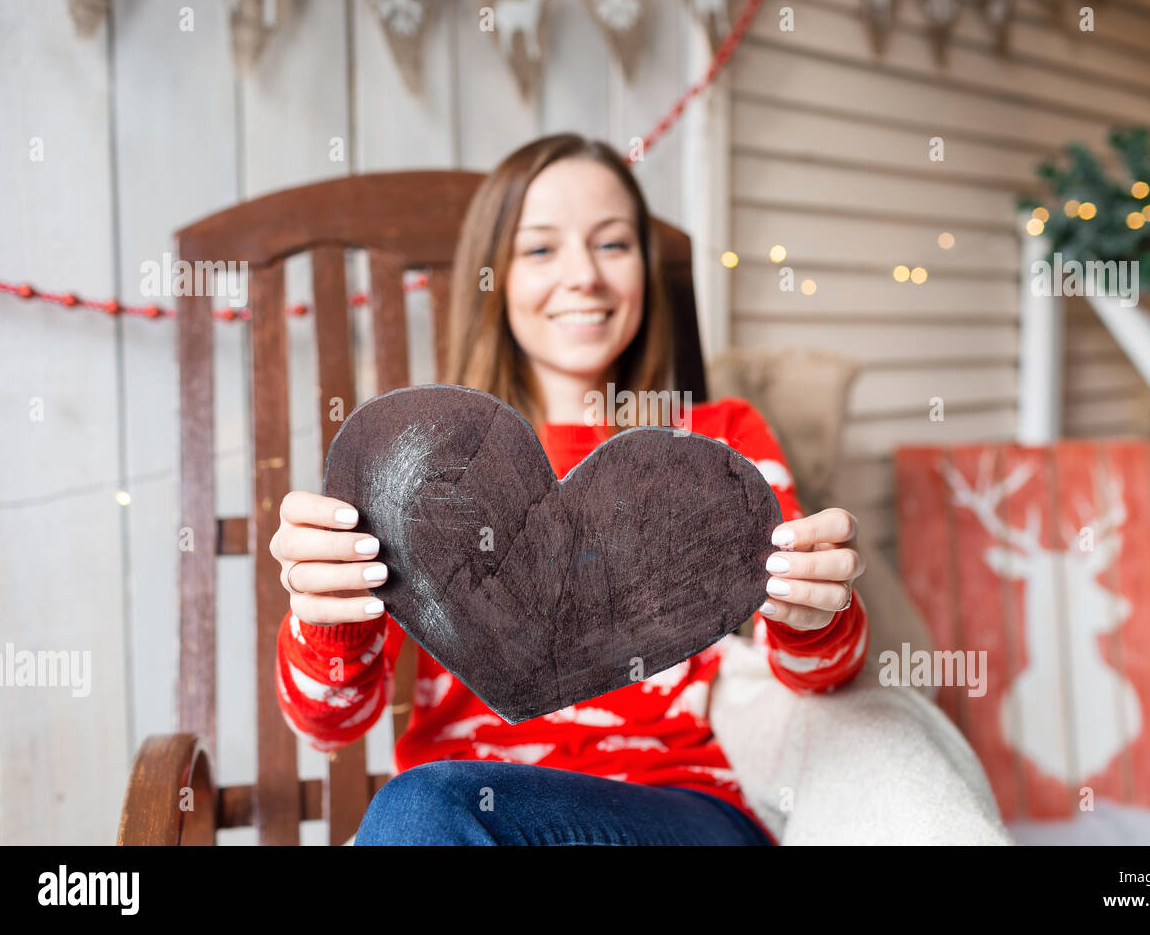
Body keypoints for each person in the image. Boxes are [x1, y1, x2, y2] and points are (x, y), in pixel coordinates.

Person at [268, 133, 870, 846]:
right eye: (542, 249)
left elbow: (822, 682)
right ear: (494, 273)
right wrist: (329, 613)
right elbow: (328, 724)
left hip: (677, 816)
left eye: (613, 245)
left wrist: (816, 617)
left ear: (645, 267)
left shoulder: (716, 444)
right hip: (465, 821)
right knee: (422, 808)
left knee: (421, 808)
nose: (583, 274)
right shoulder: (418, 465)